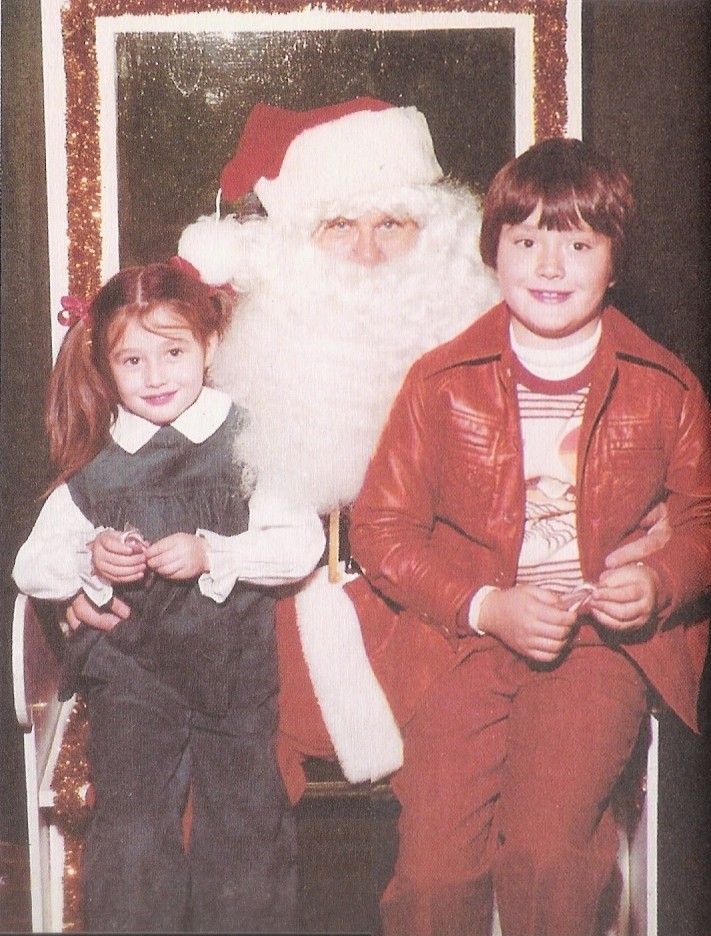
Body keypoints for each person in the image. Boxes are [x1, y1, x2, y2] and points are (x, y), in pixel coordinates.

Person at [68, 101, 669, 806]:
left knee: (471, 814)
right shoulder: (222, 349)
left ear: (434, 235)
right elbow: (123, 483)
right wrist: (82, 576)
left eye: (390, 224)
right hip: (262, 630)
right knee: (210, 802)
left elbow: (602, 448)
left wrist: (650, 525)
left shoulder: (504, 338)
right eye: (339, 226)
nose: (366, 252)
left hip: (442, 625)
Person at [348, 137, 711, 936]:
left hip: (596, 646)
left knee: (549, 855)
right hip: (458, 643)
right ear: (494, 252)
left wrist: (660, 580)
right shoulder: (440, 381)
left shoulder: (666, 386)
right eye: (526, 243)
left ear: (616, 263)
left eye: (579, 245)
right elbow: (380, 528)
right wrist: (485, 605)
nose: (550, 267)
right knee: (434, 871)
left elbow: (709, 518)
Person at [13, 260, 325, 933]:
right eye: (133, 360)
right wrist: (90, 556)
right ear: (106, 368)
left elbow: (303, 542)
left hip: (234, 676)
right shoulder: (100, 459)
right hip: (131, 678)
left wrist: (216, 553)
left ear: (208, 346)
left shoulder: (248, 441)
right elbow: (30, 564)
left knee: (245, 833)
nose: (155, 377)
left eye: (173, 353)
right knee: (132, 836)